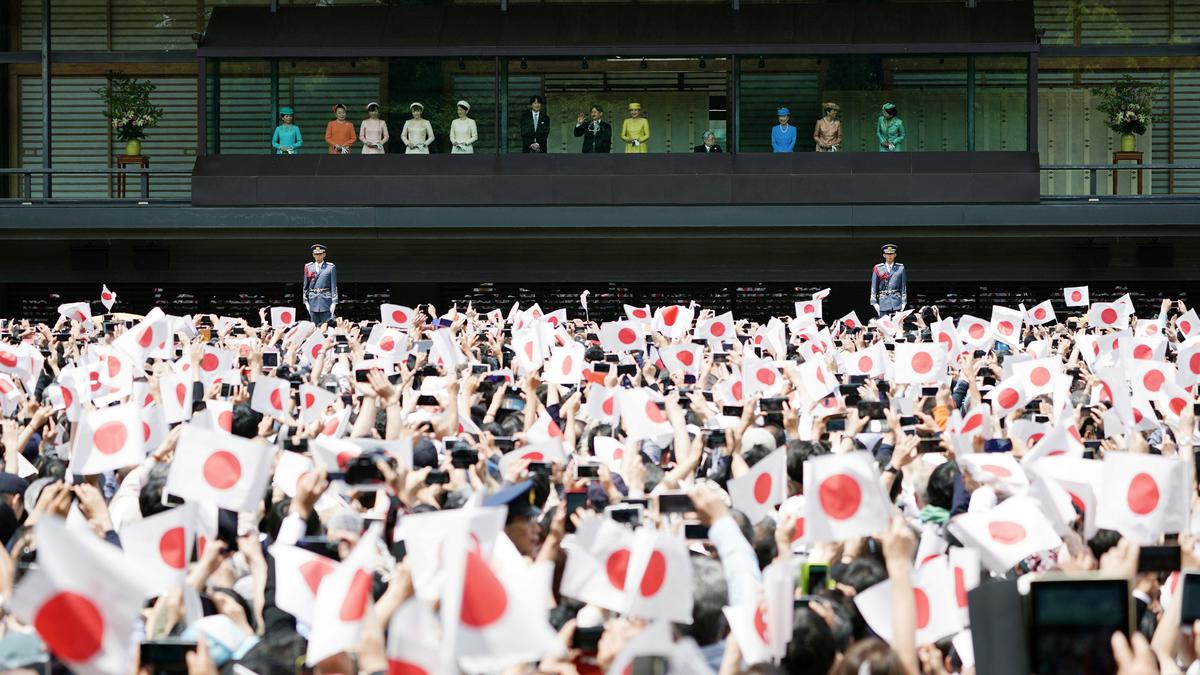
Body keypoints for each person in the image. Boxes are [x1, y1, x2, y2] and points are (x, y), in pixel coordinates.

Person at [302, 243, 338, 324]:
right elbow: (305, 286)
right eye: (316, 254)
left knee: (326, 326)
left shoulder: (330, 267)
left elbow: (333, 286)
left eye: (320, 254)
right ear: (313, 255)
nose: (318, 256)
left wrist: (334, 302)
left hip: (326, 300)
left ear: (324, 254)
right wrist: (306, 302)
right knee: (314, 326)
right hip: (313, 300)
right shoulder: (308, 267)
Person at [869, 243, 907, 315]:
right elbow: (874, 287)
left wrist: (904, 302)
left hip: (896, 303)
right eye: (887, 254)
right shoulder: (878, 268)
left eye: (892, 253)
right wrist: (874, 303)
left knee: (896, 325)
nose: (890, 256)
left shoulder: (900, 268)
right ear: (884, 255)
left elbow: (903, 287)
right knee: (884, 325)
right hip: (883, 302)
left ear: (895, 255)